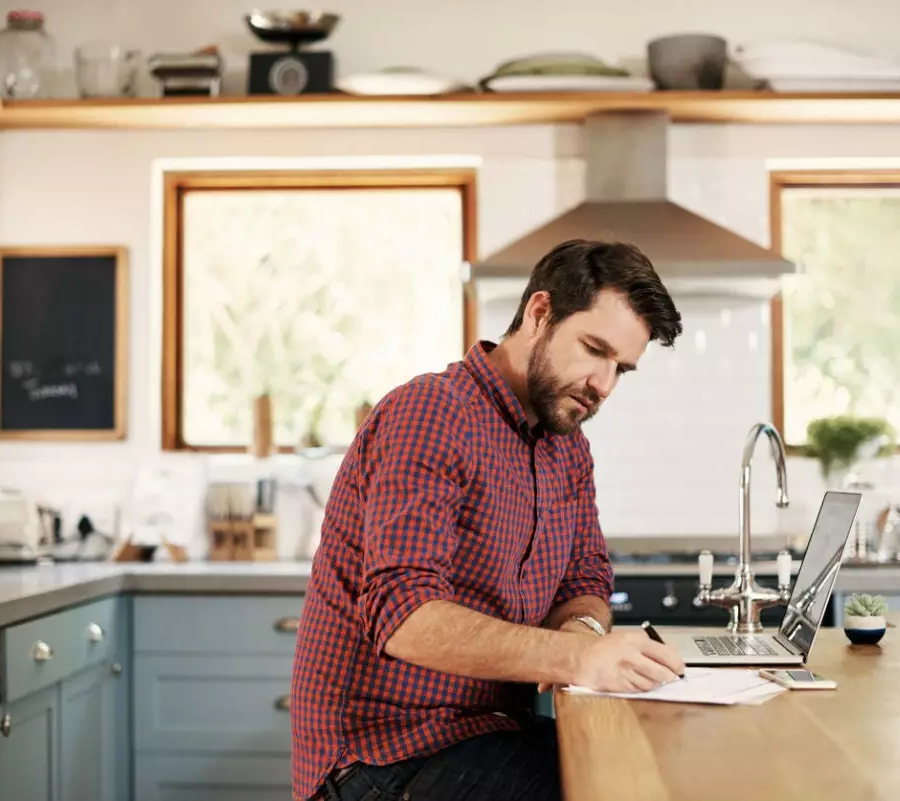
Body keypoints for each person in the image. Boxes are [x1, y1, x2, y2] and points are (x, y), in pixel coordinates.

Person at [290, 239, 687, 801]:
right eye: (593, 349)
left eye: (621, 367)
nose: (604, 385)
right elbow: (404, 616)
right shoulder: (430, 412)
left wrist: (582, 630)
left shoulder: (566, 449)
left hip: (489, 734)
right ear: (539, 312)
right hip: (379, 761)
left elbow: (586, 583)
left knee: (640, 760)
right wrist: (575, 656)